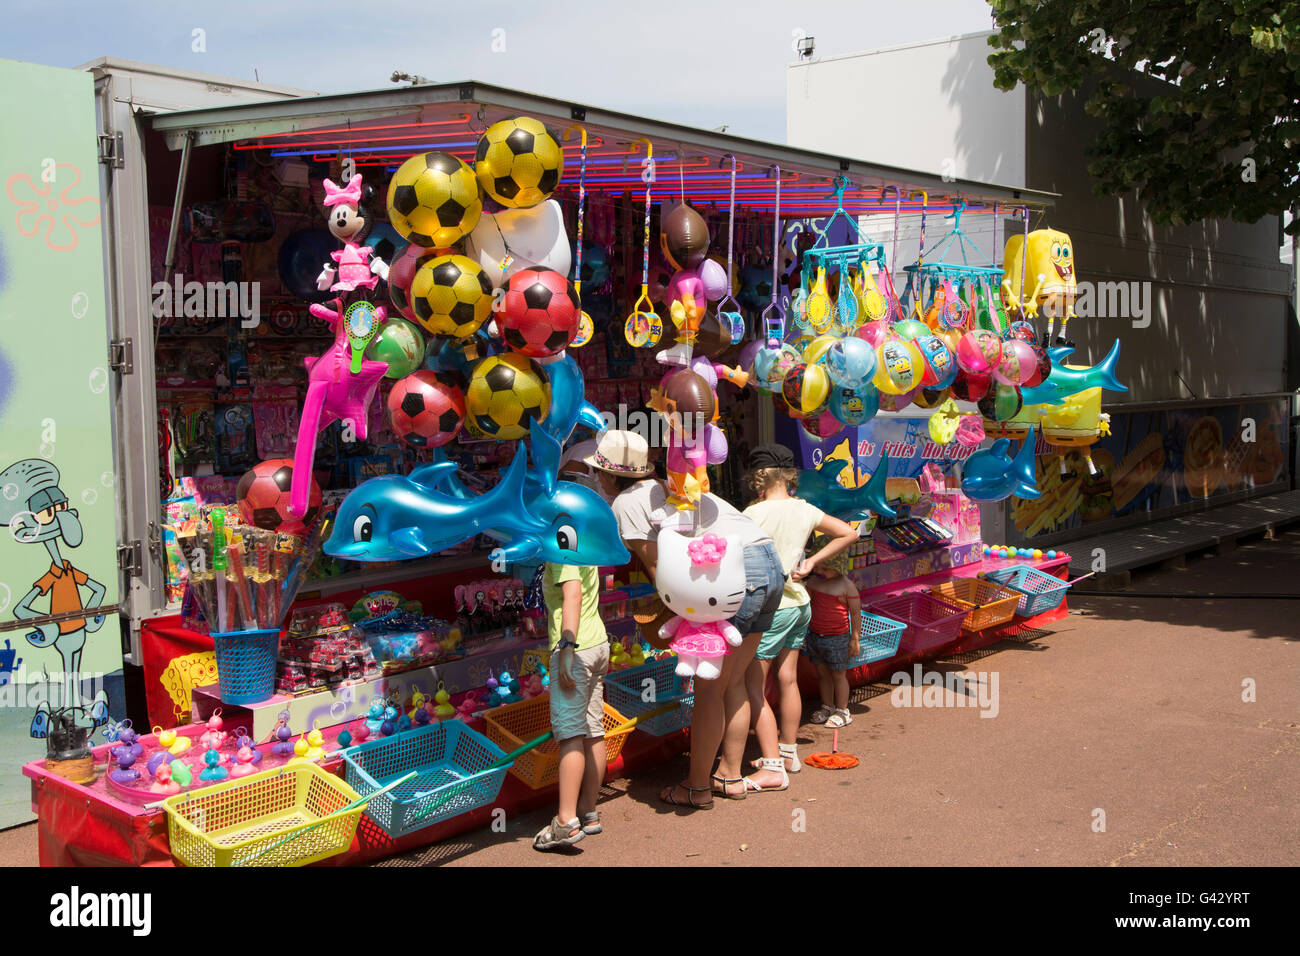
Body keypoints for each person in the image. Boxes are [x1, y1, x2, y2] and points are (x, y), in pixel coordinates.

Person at [583, 429, 785, 810]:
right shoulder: (671, 482)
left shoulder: (627, 502)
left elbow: (661, 569)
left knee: (710, 689)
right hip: (767, 561)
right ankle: (729, 774)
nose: (596, 480)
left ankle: (697, 787)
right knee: (735, 681)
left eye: (598, 473)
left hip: (734, 575)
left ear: (610, 476)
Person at [739, 444, 857, 791]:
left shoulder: (751, 515)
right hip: (799, 603)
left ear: (758, 478)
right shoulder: (804, 510)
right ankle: (788, 751)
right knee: (787, 677)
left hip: (770, 608)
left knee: (754, 686)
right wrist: (811, 562)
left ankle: (772, 762)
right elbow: (850, 532)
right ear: (789, 476)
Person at [533, 552, 610, 851]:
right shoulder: (585, 539)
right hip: (597, 644)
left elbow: (573, 594)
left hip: (576, 649)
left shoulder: (563, 545)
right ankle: (588, 811)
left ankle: (565, 821)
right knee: (592, 730)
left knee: (571, 734)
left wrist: (566, 648)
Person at [803, 535, 861, 728]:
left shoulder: (846, 586)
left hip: (838, 638)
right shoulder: (813, 583)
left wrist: (855, 638)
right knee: (822, 674)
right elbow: (807, 608)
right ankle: (827, 706)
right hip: (815, 636)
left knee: (838, 674)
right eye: (817, 566)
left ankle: (843, 710)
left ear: (839, 565)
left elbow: (855, 613)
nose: (820, 571)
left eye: (825, 568)